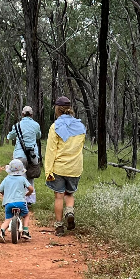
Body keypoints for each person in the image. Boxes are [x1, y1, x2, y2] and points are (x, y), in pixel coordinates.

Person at [45, 95, 86, 236]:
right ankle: (69, 211)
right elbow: (79, 147)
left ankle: (59, 227)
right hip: (75, 167)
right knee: (70, 194)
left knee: (58, 196)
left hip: (59, 167)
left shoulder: (55, 127)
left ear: (57, 109)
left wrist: (48, 170)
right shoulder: (80, 126)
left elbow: (51, 150)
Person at [7, 105, 41, 206]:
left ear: (22, 114)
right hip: (33, 156)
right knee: (30, 177)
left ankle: (20, 199)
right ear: (31, 114)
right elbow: (39, 136)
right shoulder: (36, 125)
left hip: (19, 155)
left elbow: (10, 136)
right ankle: (29, 200)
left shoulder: (17, 125)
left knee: (19, 178)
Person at [0, 159, 34, 242]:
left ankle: (2, 231)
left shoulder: (6, 179)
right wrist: (28, 194)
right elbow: (31, 189)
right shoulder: (22, 179)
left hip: (8, 203)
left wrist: (5, 195)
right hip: (20, 202)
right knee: (26, 215)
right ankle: (25, 231)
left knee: (8, 219)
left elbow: (0, 190)